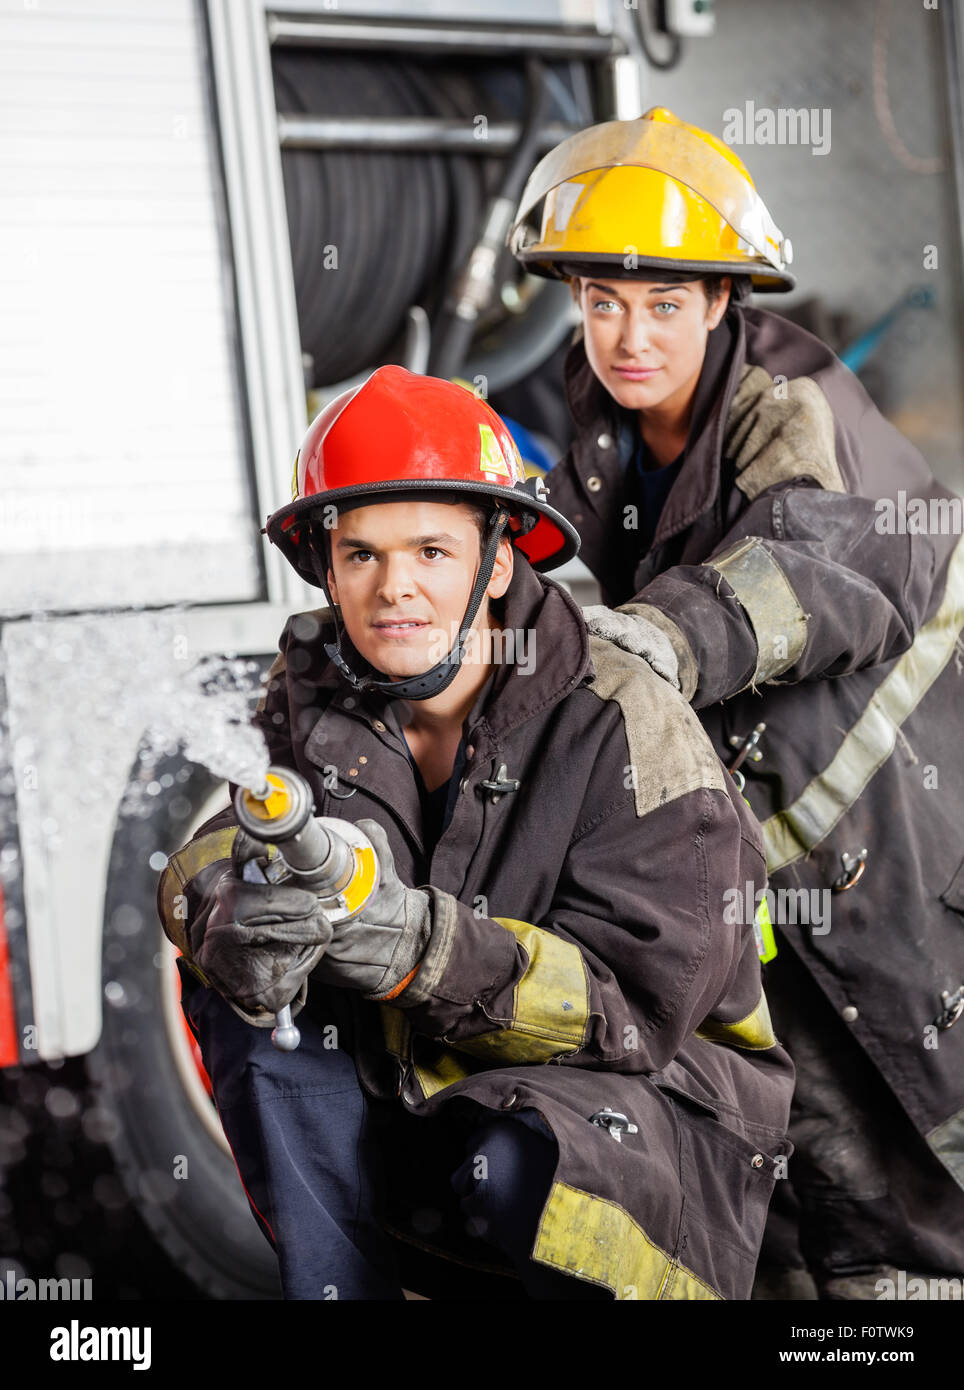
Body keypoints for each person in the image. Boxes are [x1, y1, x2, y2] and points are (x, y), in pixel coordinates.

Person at [157, 365, 793, 1301]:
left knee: (520, 1156)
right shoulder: (310, 692)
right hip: (431, 1088)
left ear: (498, 563)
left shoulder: (620, 714)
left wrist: (422, 950)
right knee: (237, 986)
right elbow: (227, 846)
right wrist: (221, 908)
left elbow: (638, 1008)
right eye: (361, 554)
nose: (392, 591)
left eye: (430, 551)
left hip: (652, 1113)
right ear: (325, 567)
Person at [509, 105, 964, 1299]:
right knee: (798, 1166)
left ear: (722, 301)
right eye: (602, 299)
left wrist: (662, 636)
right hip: (771, 854)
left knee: (913, 1181)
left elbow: (818, 560)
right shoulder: (602, 414)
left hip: (891, 835)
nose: (628, 332)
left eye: (663, 303)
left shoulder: (790, 403)